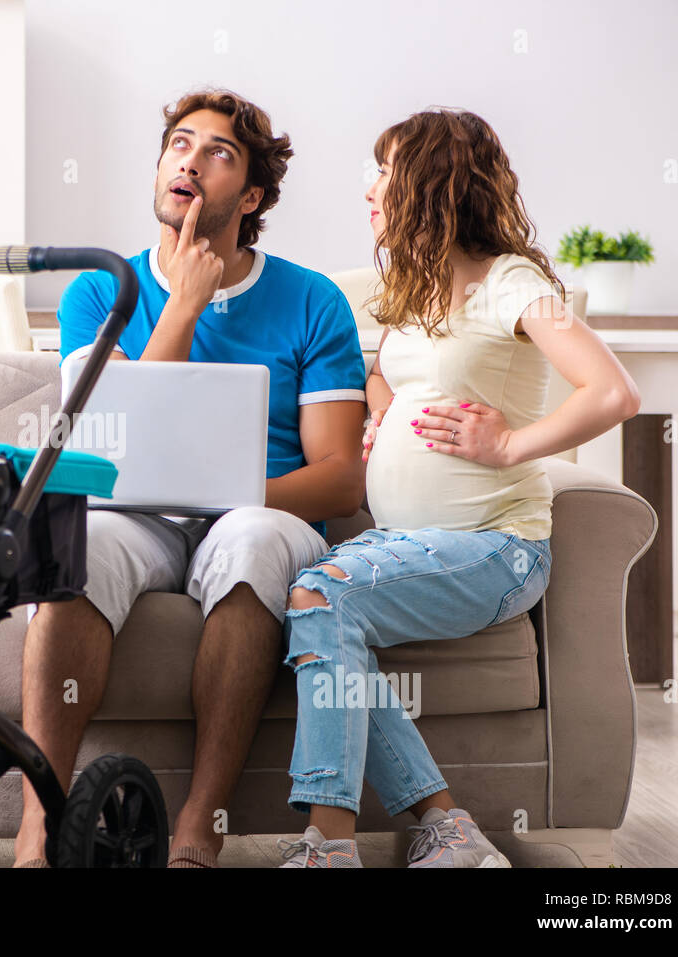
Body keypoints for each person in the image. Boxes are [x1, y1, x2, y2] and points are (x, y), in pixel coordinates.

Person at [13, 89, 369, 868]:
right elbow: (108, 442)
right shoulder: (100, 290)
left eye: (218, 152)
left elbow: (341, 479)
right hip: (133, 510)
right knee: (78, 544)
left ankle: (198, 824)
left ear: (249, 196)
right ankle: (38, 829)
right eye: (179, 143)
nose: (189, 159)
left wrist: (232, 490)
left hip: (259, 508)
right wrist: (182, 304)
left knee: (250, 542)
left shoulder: (313, 300)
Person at [277, 108, 641, 868]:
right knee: (323, 607)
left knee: (321, 594)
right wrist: (384, 416)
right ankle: (447, 827)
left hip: (496, 548)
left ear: (433, 183)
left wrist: (509, 443)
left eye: (385, 170)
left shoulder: (511, 281)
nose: (369, 189)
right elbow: (383, 372)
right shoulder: (415, 285)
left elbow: (611, 391)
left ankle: (329, 846)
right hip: (406, 543)